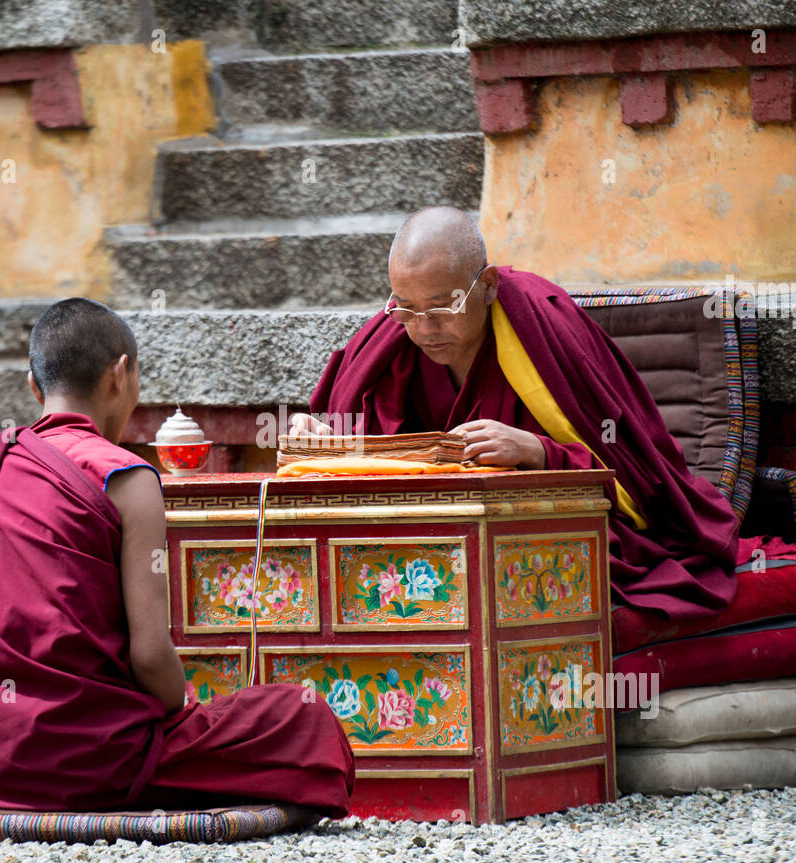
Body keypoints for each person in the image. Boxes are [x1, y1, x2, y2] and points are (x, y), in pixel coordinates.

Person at [0, 298, 355, 815]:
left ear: (33, 385)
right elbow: (151, 660)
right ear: (121, 375)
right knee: (302, 719)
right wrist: (185, 713)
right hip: (92, 758)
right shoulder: (127, 477)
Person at [291, 206, 740, 627]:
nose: (425, 328)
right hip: (424, 534)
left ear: (486, 285)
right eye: (407, 309)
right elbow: (363, 448)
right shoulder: (391, 341)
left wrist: (539, 451)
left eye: (442, 307)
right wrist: (327, 441)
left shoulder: (544, 324)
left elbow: (635, 479)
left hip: (523, 529)